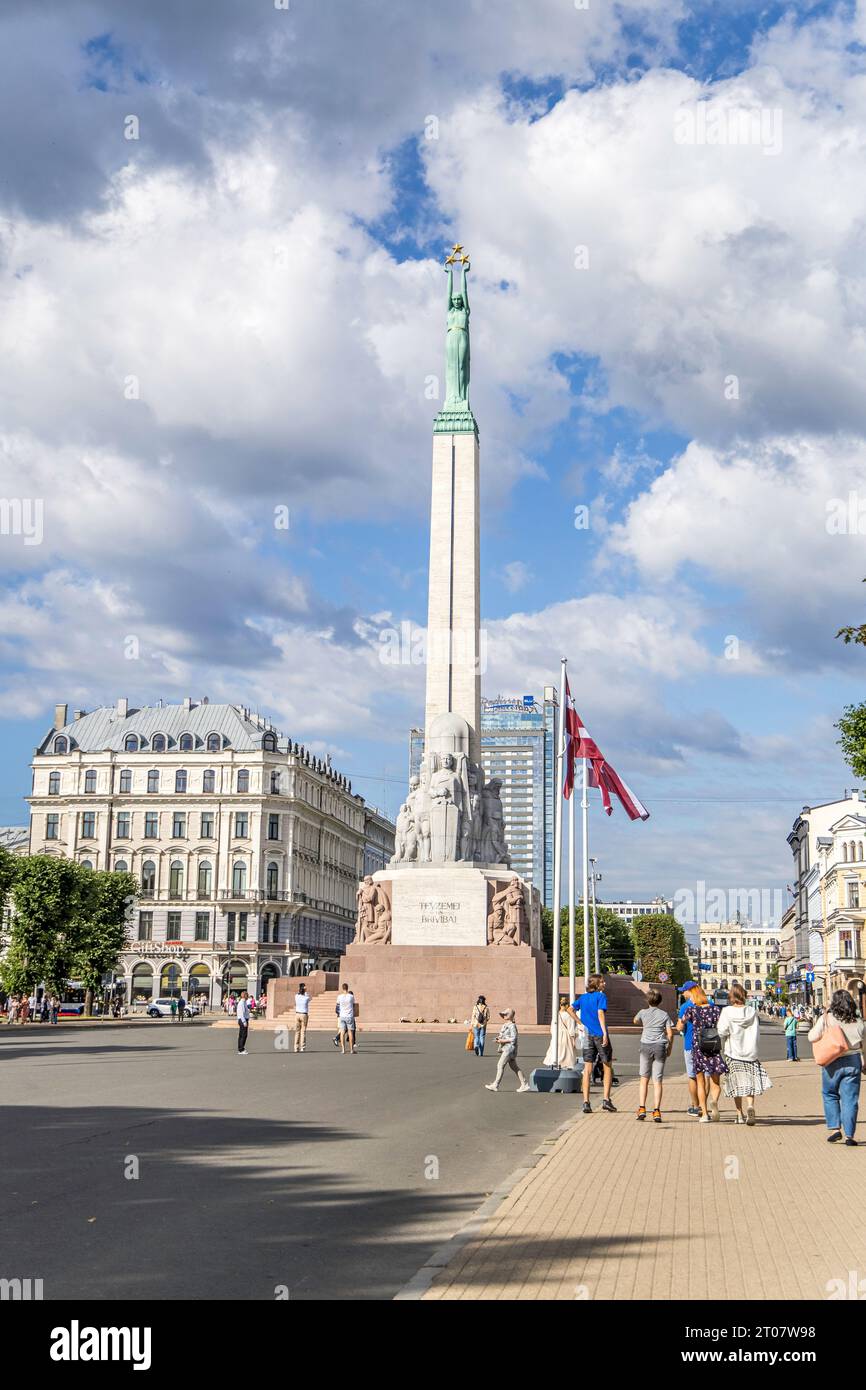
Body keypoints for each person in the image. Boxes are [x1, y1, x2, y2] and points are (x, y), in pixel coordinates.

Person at [808, 989, 866, 1145]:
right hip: (853, 1061)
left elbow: (811, 1037)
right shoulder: (858, 1021)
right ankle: (849, 1136)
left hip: (831, 1061)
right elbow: (864, 1044)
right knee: (850, 1099)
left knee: (830, 1094)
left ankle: (835, 1129)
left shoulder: (827, 1018)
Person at [718, 983, 772, 1125]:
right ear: (744, 996)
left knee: (736, 1083)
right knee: (749, 1081)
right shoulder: (751, 1011)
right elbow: (757, 1032)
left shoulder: (727, 1011)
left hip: (733, 1052)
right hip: (750, 1052)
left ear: (731, 996)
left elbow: (721, 1031)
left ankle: (739, 1114)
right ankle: (750, 1106)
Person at [676, 985, 727, 1122]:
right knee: (714, 1079)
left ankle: (704, 1114)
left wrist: (682, 1022)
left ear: (693, 996)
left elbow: (680, 1025)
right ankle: (714, 1100)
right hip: (713, 1046)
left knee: (699, 1081)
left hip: (698, 1047)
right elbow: (722, 1027)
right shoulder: (716, 1009)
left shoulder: (691, 1009)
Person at [574, 975, 616, 1114]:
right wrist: (604, 1033)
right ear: (597, 984)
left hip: (587, 1035)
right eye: (602, 981)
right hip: (599, 1034)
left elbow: (570, 1009)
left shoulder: (583, 997)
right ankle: (606, 1099)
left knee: (587, 1068)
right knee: (607, 1065)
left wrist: (580, 1023)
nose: (604, 983)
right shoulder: (601, 996)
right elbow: (600, 1014)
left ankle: (586, 1102)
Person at [633, 989, 674, 1122]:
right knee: (658, 1080)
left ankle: (642, 1108)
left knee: (644, 1078)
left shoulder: (643, 1012)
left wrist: (642, 1022)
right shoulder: (664, 1015)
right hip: (660, 1047)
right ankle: (656, 1111)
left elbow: (635, 1021)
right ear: (660, 1001)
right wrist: (669, 1048)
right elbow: (670, 1034)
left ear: (647, 1000)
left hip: (645, 1046)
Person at [485, 1008, 530, 1092]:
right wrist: (499, 1039)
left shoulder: (512, 1025)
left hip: (509, 1049)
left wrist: (501, 1040)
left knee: (500, 1065)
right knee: (514, 1067)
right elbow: (507, 1036)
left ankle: (496, 1084)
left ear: (510, 1015)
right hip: (508, 1049)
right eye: (504, 1014)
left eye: (505, 1014)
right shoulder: (507, 1025)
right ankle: (524, 1084)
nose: (504, 1016)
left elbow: (513, 1038)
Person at [677, 981, 702, 1116]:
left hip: (690, 1044)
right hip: (706, 1045)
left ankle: (696, 1106)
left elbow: (680, 1027)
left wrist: (681, 1023)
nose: (683, 993)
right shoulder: (707, 1004)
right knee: (704, 1076)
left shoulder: (685, 1006)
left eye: (684, 991)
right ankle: (703, 1105)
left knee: (692, 1076)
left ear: (690, 991)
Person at [543, 996, 582, 1070]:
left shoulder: (556, 1015)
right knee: (567, 1055)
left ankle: (554, 1065)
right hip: (566, 1037)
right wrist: (574, 1037)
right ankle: (565, 1068)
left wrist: (554, 1035)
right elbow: (571, 1030)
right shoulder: (569, 1015)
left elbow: (552, 1028)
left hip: (557, 1036)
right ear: (567, 1005)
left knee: (556, 1052)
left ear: (560, 1005)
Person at [335, 984, 356, 1054]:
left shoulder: (339, 996)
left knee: (342, 1032)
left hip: (342, 1016)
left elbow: (337, 1006)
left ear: (342, 988)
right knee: (350, 1032)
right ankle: (351, 1050)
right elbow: (353, 1005)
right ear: (347, 988)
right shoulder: (351, 996)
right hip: (349, 1016)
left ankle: (343, 1050)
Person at [294, 983, 310, 1053]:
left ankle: (296, 1048)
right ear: (304, 990)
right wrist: (305, 991)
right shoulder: (306, 997)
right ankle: (302, 1047)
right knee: (303, 1031)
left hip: (297, 1014)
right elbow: (308, 997)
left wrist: (302, 990)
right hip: (304, 1014)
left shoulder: (296, 996)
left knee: (297, 1031)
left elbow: (298, 993)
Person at [236, 989, 251, 1055]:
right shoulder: (242, 1003)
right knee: (243, 1035)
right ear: (245, 996)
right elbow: (241, 1013)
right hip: (243, 1020)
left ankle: (240, 1048)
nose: (248, 997)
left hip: (243, 1019)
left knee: (241, 1035)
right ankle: (241, 1049)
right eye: (247, 995)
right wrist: (244, 1021)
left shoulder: (244, 1002)